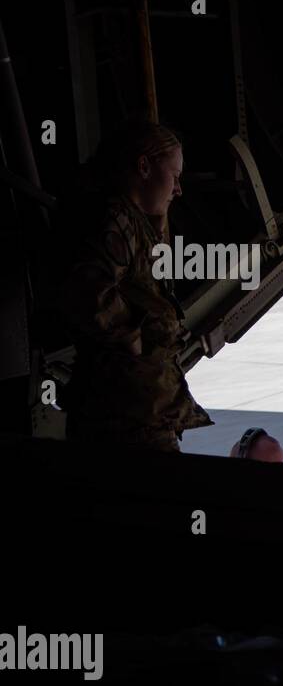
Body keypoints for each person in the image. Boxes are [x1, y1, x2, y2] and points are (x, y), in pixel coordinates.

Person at [61, 119, 212, 452]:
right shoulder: (115, 221)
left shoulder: (130, 222)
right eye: (174, 176)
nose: (178, 189)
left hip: (134, 411)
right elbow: (90, 295)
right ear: (144, 167)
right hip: (129, 416)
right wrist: (135, 345)